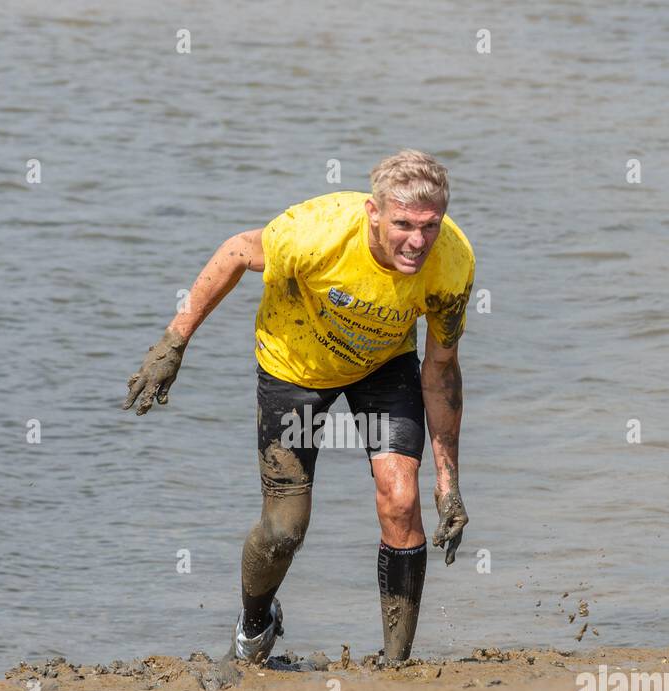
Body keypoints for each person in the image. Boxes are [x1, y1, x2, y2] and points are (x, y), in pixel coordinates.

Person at [122, 149, 474, 665]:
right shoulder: (318, 232)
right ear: (373, 214)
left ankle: (397, 665)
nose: (418, 242)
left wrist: (448, 480)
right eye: (403, 224)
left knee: (401, 500)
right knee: (286, 528)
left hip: (383, 365)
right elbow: (237, 252)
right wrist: (174, 343)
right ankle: (255, 626)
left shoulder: (452, 262)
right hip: (295, 368)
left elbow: (441, 372)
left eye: (430, 226)